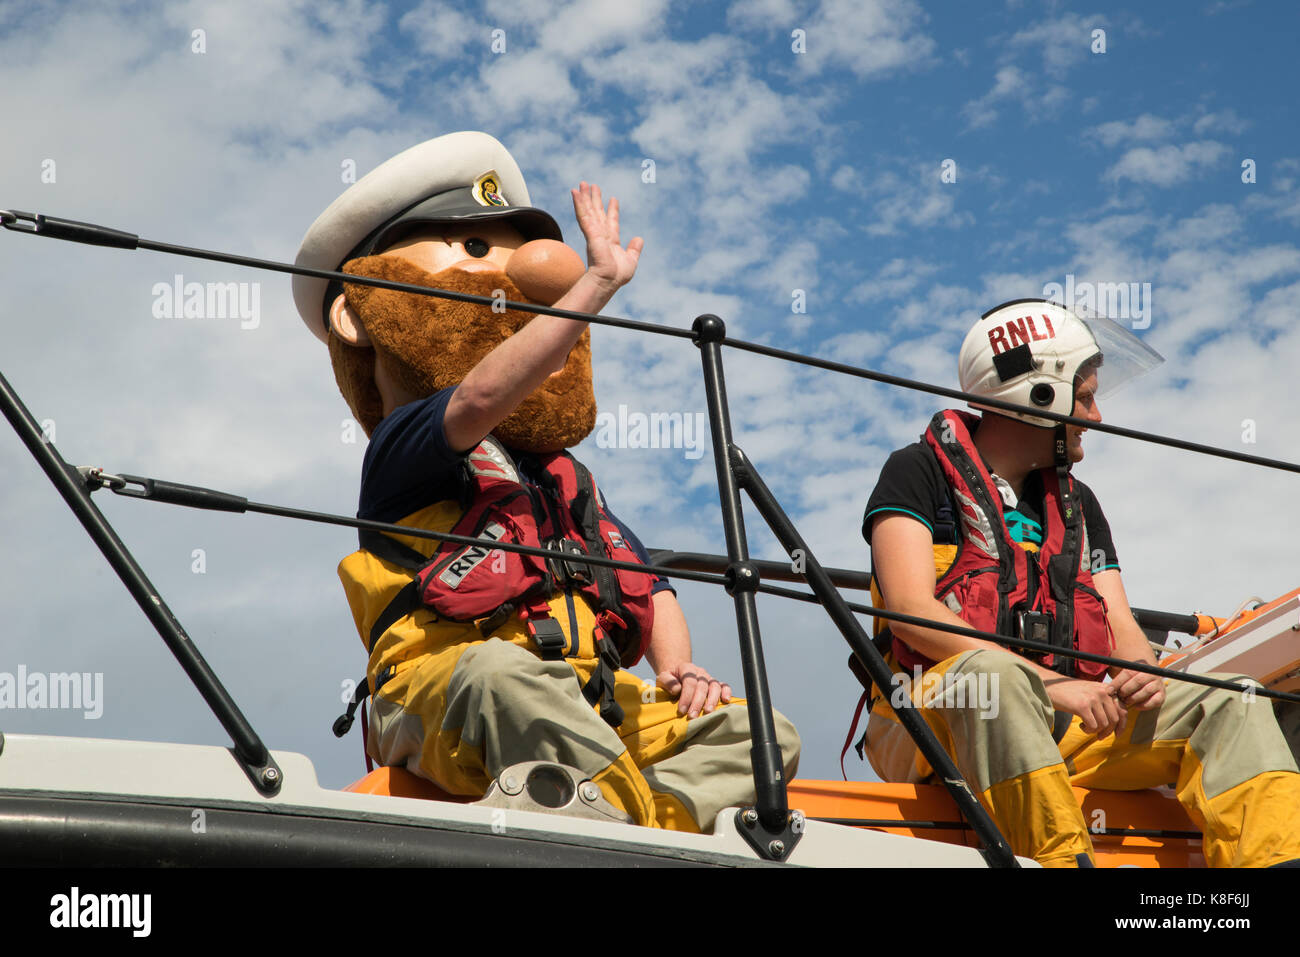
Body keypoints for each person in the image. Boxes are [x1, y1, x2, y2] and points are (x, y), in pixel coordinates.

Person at [292, 131, 799, 833]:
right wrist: (591, 288)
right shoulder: (405, 446)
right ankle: (617, 815)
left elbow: (648, 585)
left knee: (761, 737)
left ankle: (629, 821)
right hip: (445, 689)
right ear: (354, 313)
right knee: (506, 677)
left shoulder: (567, 482)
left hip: (589, 702)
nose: (524, 279)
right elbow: (475, 400)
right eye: (472, 251)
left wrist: (678, 670)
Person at [859, 297, 1300, 867]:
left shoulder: (1079, 504)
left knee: (1231, 700)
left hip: (1062, 723)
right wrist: (1046, 683)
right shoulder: (915, 471)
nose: (1096, 417)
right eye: (1086, 397)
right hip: (930, 720)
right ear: (1037, 400)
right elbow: (909, 608)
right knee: (996, 679)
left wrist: (1142, 676)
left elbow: (1121, 628)